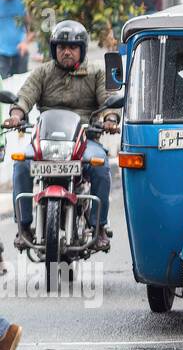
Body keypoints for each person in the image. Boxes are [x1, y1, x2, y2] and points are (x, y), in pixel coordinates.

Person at [5, 20, 117, 253]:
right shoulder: (43, 72)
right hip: (46, 140)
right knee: (22, 164)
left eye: (72, 47)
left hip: (85, 139)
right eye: (61, 46)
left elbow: (108, 101)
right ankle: (24, 226)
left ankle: (99, 227)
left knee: (101, 166)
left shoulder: (95, 72)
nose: (66, 51)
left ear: (82, 50)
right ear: (54, 48)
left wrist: (110, 119)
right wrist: (16, 115)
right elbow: (24, 97)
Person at [0, 0, 31, 78]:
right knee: (3, 86)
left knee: (21, 83)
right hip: (1, 52)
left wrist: (25, 42)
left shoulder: (21, 0)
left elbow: (31, 26)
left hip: (20, 49)